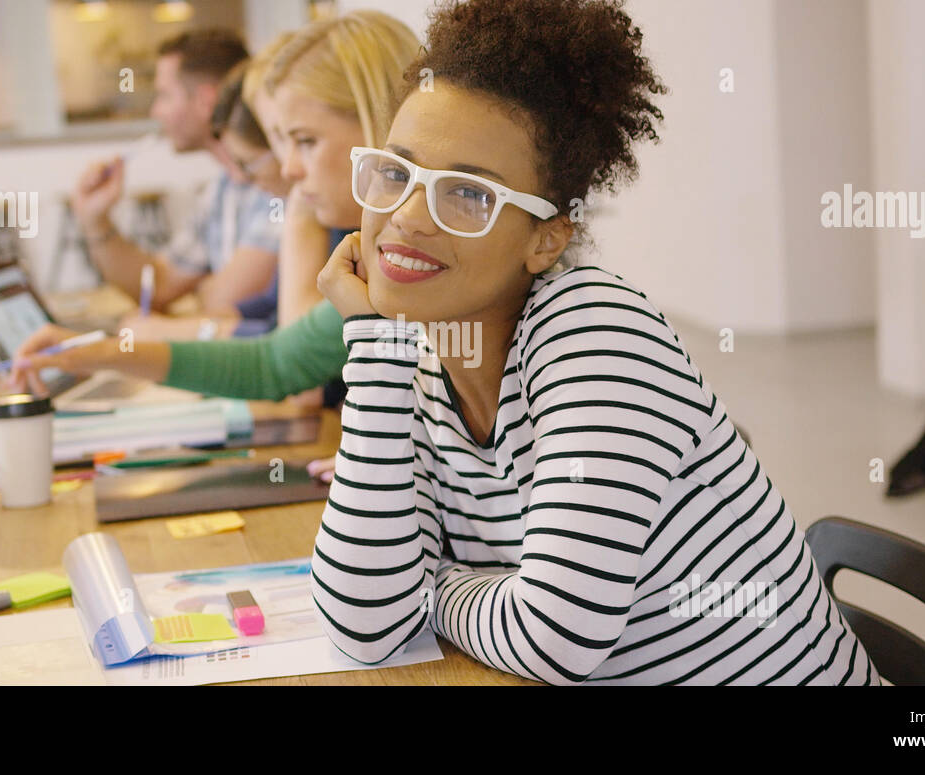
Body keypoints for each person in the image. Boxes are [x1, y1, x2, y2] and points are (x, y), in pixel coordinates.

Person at [308, 0, 881, 685]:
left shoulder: (596, 334)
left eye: (466, 194)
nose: (404, 217)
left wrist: (429, 590)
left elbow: (554, 640)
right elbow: (365, 625)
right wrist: (373, 346)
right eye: (396, 172)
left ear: (547, 238)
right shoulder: (426, 360)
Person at [7, 11, 420, 409]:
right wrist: (101, 353)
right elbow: (276, 362)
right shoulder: (374, 256)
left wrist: (298, 217)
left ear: (378, 127)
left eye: (305, 141)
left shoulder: (405, 260)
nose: (288, 167)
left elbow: (292, 378)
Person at [74, 29, 282, 336]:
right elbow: (158, 288)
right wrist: (94, 219)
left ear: (206, 101)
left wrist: (198, 304)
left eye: (165, 95)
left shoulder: (278, 186)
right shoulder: (218, 191)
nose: (155, 111)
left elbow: (229, 302)